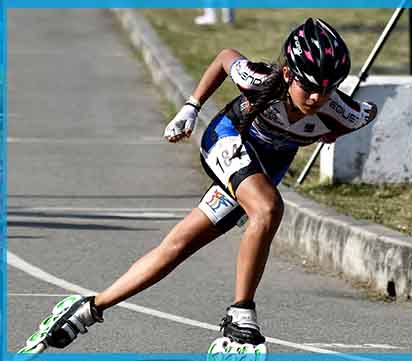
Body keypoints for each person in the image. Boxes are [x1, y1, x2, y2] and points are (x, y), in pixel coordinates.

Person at [18, 18, 377, 354]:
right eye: (309, 86)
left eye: (327, 90)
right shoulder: (260, 79)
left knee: (178, 245)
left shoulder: (345, 113)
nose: (317, 98)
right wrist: (191, 107)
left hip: (260, 168)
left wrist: (326, 133)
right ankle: (241, 314)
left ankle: (87, 309)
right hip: (227, 140)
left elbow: (362, 115)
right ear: (288, 73)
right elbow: (224, 58)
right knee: (268, 209)